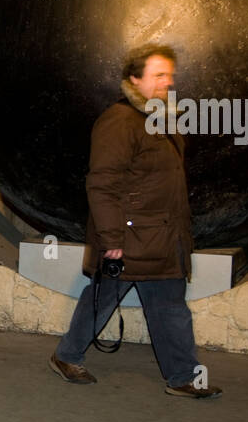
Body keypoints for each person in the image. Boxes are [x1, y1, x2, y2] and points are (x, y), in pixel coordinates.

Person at [49, 43, 222, 399]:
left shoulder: (158, 119)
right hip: (128, 240)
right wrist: (112, 238)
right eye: (158, 75)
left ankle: (183, 377)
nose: (167, 82)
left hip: (162, 238)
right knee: (103, 297)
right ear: (134, 79)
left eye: (169, 75)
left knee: (171, 307)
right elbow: (101, 183)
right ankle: (67, 355)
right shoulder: (120, 121)